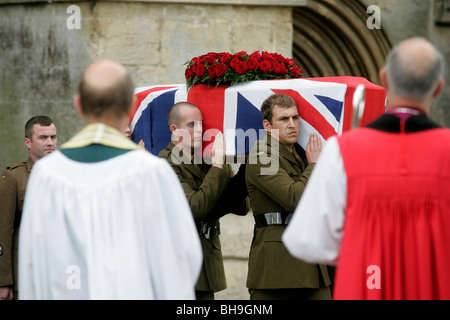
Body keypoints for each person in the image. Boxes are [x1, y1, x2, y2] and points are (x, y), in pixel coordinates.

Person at [18, 60, 202, 300]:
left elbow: (32, 263)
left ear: (79, 105)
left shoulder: (47, 175)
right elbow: (181, 258)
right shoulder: (152, 172)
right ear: (130, 106)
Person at [283, 37, 450, 300]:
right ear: (439, 88)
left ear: (384, 79)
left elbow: (306, 240)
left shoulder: (340, 151)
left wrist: (362, 246)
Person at [245, 93, 332, 300]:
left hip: (310, 259)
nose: (292, 124)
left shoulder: (299, 155)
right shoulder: (262, 156)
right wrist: (314, 166)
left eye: (295, 118)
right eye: (284, 119)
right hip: (279, 267)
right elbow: (294, 198)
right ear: (267, 125)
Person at [159, 102, 248, 300]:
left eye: (201, 124)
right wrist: (217, 167)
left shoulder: (205, 160)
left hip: (206, 259)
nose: (200, 130)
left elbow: (242, 207)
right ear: (175, 129)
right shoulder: (166, 163)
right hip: (182, 262)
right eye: (192, 124)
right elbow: (195, 207)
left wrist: (230, 167)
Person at [0, 116, 57, 300]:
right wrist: (4, 281)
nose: (50, 142)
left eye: (53, 137)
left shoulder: (65, 173)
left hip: (58, 272)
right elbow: (3, 230)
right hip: (24, 272)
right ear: (28, 142)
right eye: (43, 137)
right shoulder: (14, 176)